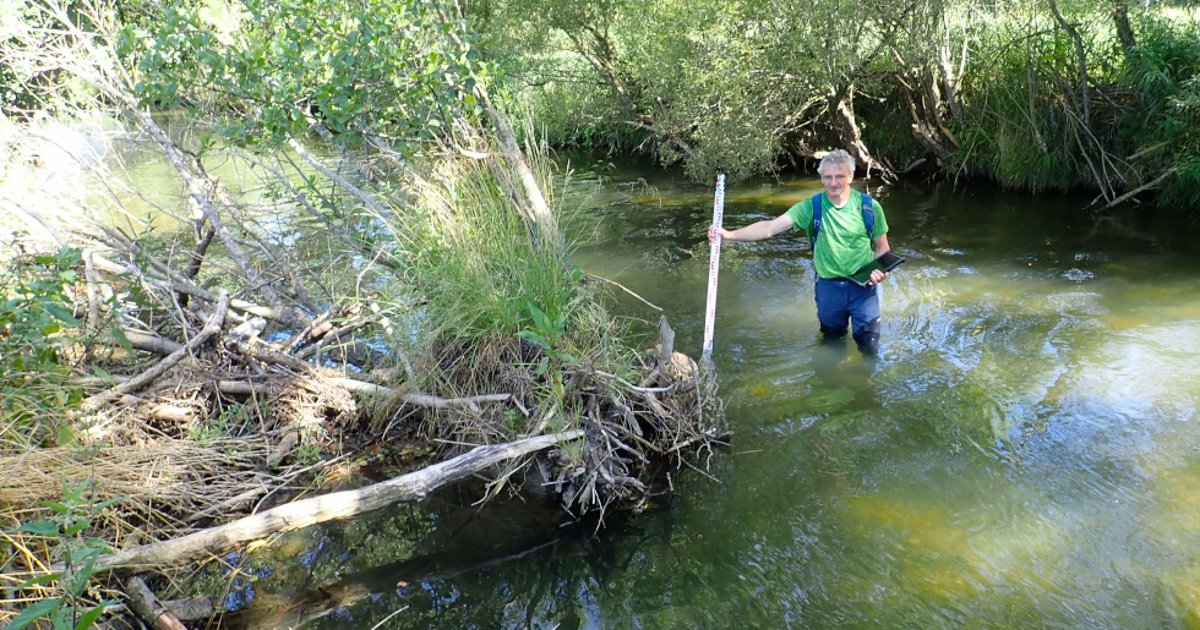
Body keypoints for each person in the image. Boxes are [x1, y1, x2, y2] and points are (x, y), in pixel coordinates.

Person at [709, 149, 893, 354]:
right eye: (828, 177)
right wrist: (729, 236)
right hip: (828, 288)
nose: (833, 183)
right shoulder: (811, 208)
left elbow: (882, 248)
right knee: (832, 343)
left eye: (839, 176)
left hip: (863, 288)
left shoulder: (869, 208)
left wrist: (881, 271)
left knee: (870, 347)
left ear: (850, 176)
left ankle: (865, 383)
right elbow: (769, 228)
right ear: (822, 178)